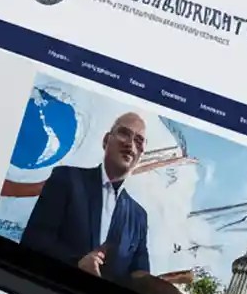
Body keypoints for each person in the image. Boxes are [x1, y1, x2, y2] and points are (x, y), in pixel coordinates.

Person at [21, 112, 150, 282]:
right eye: (124, 133)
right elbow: (33, 240)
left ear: (142, 154)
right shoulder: (66, 179)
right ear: (106, 141)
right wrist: (77, 264)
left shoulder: (139, 217)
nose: (130, 144)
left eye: (138, 141)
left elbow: (140, 277)